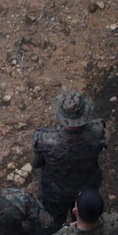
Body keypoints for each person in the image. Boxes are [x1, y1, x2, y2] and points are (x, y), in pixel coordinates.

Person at [30, 91, 106, 222]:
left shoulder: (45, 139)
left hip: (56, 190)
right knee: (82, 218)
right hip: (87, 186)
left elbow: (36, 164)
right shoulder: (98, 131)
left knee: (54, 220)